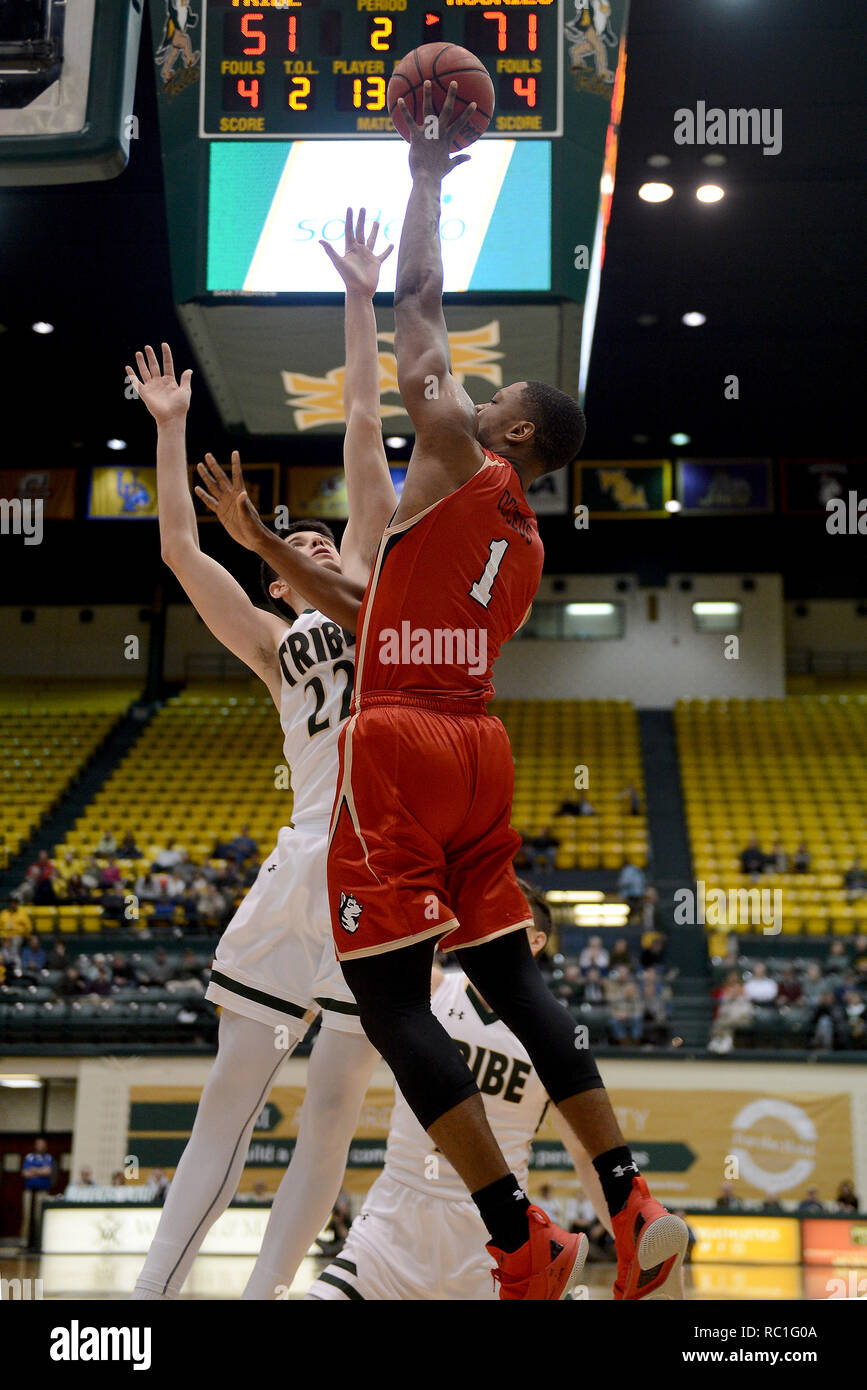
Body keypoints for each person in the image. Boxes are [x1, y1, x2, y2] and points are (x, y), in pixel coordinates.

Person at [232, 90, 687, 1300]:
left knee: (390, 1004)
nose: (479, 396)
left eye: (501, 402)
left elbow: (422, 311)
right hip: (480, 741)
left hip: (399, 745)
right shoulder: (524, 546)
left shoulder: (455, 454)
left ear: (520, 429)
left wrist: (427, 169)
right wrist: (283, 560)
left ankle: (517, 1234)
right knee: (515, 977)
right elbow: (378, 620)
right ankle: (629, 1196)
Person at [126, 212, 401, 1302]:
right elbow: (180, 548)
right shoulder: (277, 639)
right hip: (303, 864)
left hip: (382, 872)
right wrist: (168, 423)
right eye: (302, 546)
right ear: (282, 577)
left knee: (334, 1104)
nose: (323, 539)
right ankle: (147, 1302)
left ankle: (262, 1300)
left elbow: (366, 425)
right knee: (231, 1095)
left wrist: (361, 295)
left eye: (330, 533)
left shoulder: (374, 592)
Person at [308, 887, 616, 1301]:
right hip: (394, 1225)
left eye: (505, 915)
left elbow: (584, 1156)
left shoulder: (554, 1037)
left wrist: (634, 1247)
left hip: (494, 1241)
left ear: (535, 940)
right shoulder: (430, 989)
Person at [22, 1138, 55, 1247]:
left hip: (42, 1192)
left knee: (39, 1217)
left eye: (43, 1145)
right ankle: (26, 1241)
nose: (40, 1146)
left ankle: (38, 1242)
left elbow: (48, 1171)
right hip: (30, 1192)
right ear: (35, 1146)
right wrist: (40, 1170)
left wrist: (34, 1170)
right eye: (38, 1144)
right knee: (27, 1217)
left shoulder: (48, 1157)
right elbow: (25, 1173)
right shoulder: (29, 1157)